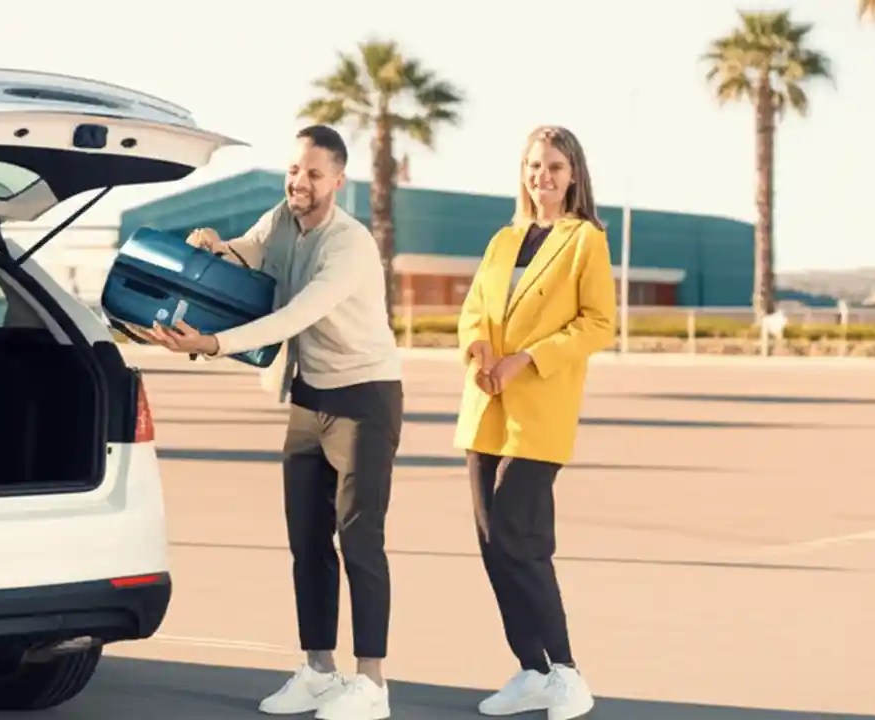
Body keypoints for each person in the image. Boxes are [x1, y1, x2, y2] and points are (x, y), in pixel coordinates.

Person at [142, 125, 402, 720]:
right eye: (293, 170)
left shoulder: (349, 245)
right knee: (306, 540)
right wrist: (215, 245)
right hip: (309, 397)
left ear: (337, 180)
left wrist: (210, 343)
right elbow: (250, 251)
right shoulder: (282, 219)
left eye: (313, 174)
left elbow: (295, 314)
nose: (299, 182)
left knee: (359, 540)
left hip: (365, 398)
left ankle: (372, 684)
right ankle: (317, 670)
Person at [452, 125, 617, 720]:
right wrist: (478, 351)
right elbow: (475, 309)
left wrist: (527, 357)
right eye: (533, 165)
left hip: (539, 409)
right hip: (486, 406)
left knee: (519, 539)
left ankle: (568, 672)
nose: (541, 176)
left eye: (554, 166)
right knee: (494, 543)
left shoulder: (585, 241)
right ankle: (532, 669)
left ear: (574, 175)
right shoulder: (503, 239)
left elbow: (599, 323)